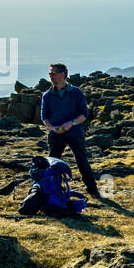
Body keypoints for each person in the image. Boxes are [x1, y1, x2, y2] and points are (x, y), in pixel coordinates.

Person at [39, 63, 101, 198]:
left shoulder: (76, 92)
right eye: (50, 74)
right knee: (53, 163)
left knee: (82, 160)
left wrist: (71, 123)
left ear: (62, 75)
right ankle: (56, 190)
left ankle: (93, 190)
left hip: (75, 132)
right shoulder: (47, 95)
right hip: (55, 134)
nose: (50, 76)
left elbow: (84, 114)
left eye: (53, 74)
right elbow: (44, 117)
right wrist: (52, 128)